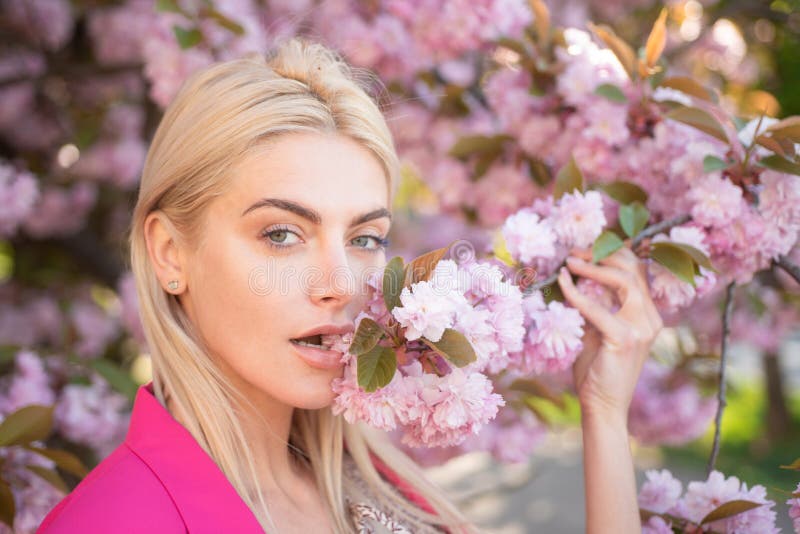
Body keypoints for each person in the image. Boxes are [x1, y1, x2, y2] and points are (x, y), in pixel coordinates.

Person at [38, 37, 662, 534]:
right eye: (281, 234)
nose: (340, 285)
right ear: (170, 253)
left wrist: (604, 416)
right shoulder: (111, 521)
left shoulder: (380, 485)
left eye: (364, 239)